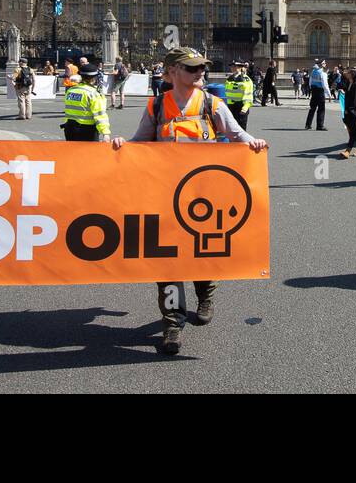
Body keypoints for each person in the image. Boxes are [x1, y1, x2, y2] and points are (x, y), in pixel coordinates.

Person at [111, 47, 267, 355]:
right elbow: (139, 143)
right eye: (191, 68)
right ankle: (172, 324)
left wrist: (255, 143)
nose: (200, 73)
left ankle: (205, 292)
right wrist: (121, 145)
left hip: (203, 198)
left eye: (201, 68)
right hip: (164, 195)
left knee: (200, 253)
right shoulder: (157, 106)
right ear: (171, 72)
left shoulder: (212, 103)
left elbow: (238, 136)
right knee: (166, 262)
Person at [62, 63, 110, 141]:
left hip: (70, 129)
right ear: (94, 78)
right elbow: (100, 114)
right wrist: (105, 132)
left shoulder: (71, 90)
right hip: (87, 131)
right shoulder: (93, 93)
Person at [338, 67, 356, 158]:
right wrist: (343, 91)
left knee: (353, 131)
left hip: (354, 110)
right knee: (353, 131)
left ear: (352, 74)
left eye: (349, 72)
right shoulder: (348, 83)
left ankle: (348, 151)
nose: (347, 73)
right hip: (347, 110)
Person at [224, 60, 255, 131]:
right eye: (232, 66)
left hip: (241, 107)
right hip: (231, 106)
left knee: (241, 130)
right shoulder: (229, 79)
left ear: (240, 67)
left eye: (235, 67)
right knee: (232, 129)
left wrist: (245, 107)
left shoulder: (245, 79)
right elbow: (227, 93)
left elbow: (248, 95)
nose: (233, 68)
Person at [306, 60, 328, 130]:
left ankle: (308, 124)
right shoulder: (322, 73)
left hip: (314, 90)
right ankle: (320, 126)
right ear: (321, 64)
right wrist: (329, 94)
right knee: (321, 109)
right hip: (320, 91)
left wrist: (312, 88)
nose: (325, 64)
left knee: (312, 108)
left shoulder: (313, 71)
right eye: (324, 63)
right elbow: (325, 85)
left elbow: (310, 82)